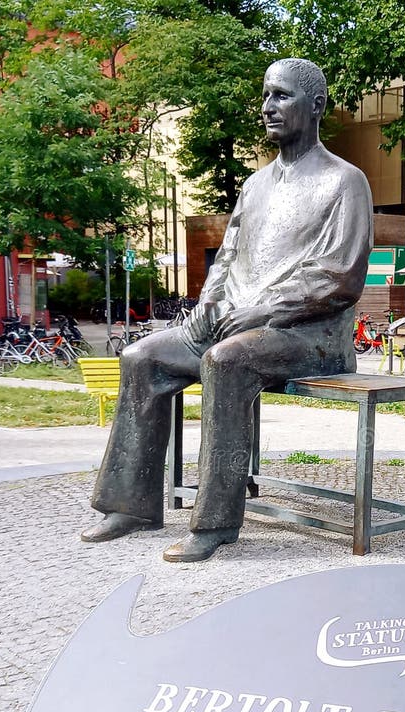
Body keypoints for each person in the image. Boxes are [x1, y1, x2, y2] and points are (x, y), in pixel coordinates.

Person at [81, 57, 373, 562]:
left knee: (226, 361)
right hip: (235, 323)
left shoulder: (345, 181)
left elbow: (340, 276)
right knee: (141, 357)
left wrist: (265, 311)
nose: (267, 108)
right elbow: (229, 256)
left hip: (310, 335)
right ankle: (131, 504)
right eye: (265, 96)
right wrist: (209, 302)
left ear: (317, 105)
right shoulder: (255, 186)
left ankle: (214, 523)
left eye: (281, 96)